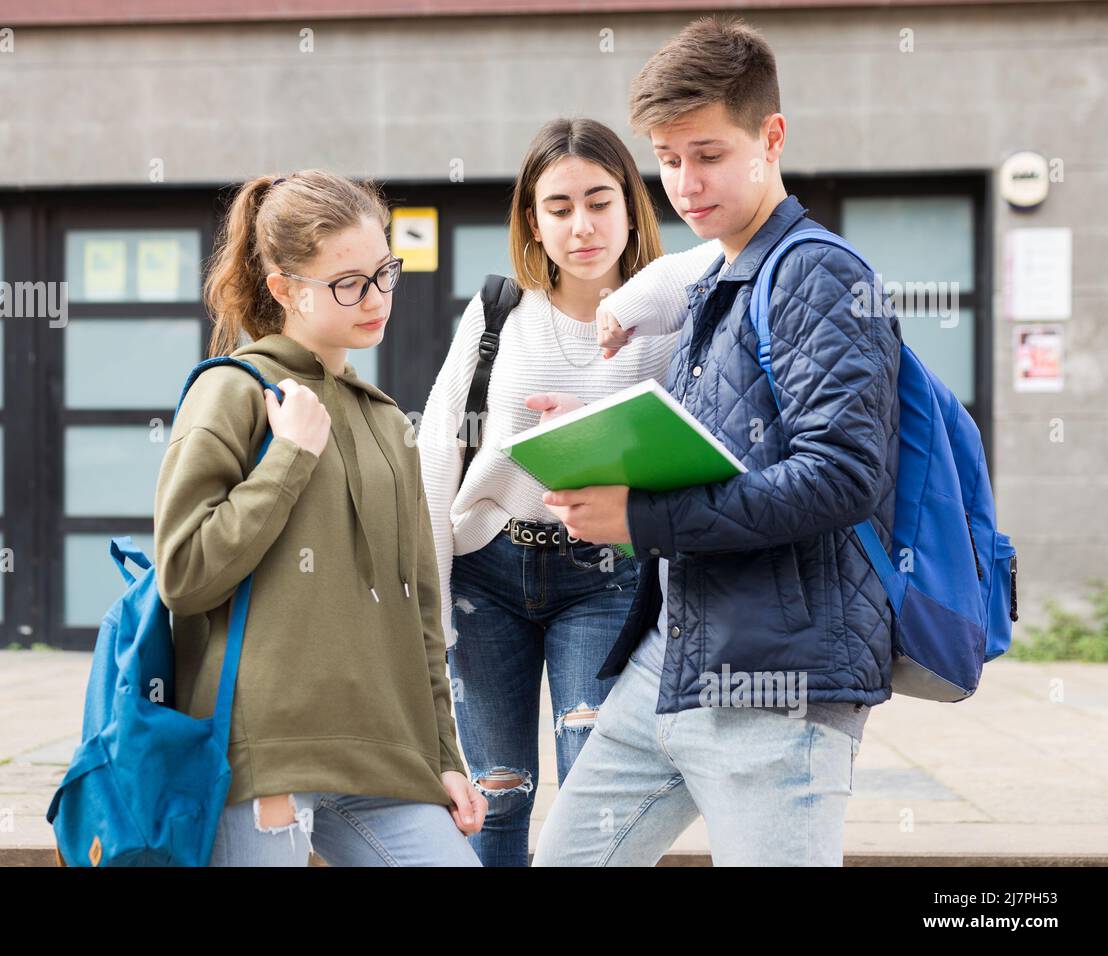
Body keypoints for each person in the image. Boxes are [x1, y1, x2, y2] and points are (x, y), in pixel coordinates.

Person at [532, 15, 902, 866]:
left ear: (771, 136)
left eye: (707, 154)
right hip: (671, 664)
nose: (685, 183)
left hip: (781, 686)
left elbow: (841, 476)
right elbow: (722, 452)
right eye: (667, 160)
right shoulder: (720, 279)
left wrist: (642, 518)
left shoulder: (820, 274)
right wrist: (594, 442)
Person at [153, 170, 484, 866]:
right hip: (265, 750)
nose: (377, 299)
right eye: (349, 283)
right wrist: (289, 457)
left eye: (384, 273)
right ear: (284, 288)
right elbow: (183, 574)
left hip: (387, 756)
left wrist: (444, 754)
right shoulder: (231, 392)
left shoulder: (388, 420)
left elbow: (421, 608)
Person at [416, 117, 719, 866]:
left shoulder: (675, 317)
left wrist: (630, 304)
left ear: (630, 206)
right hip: (485, 576)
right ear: (532, 219)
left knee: (594, 796)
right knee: (496, 796)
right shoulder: (497, 312)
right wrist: (429, 615)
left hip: (605, 578)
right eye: (558, 207)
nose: (581, 226)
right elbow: (436, 452)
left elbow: (728, 249)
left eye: (599, 201)